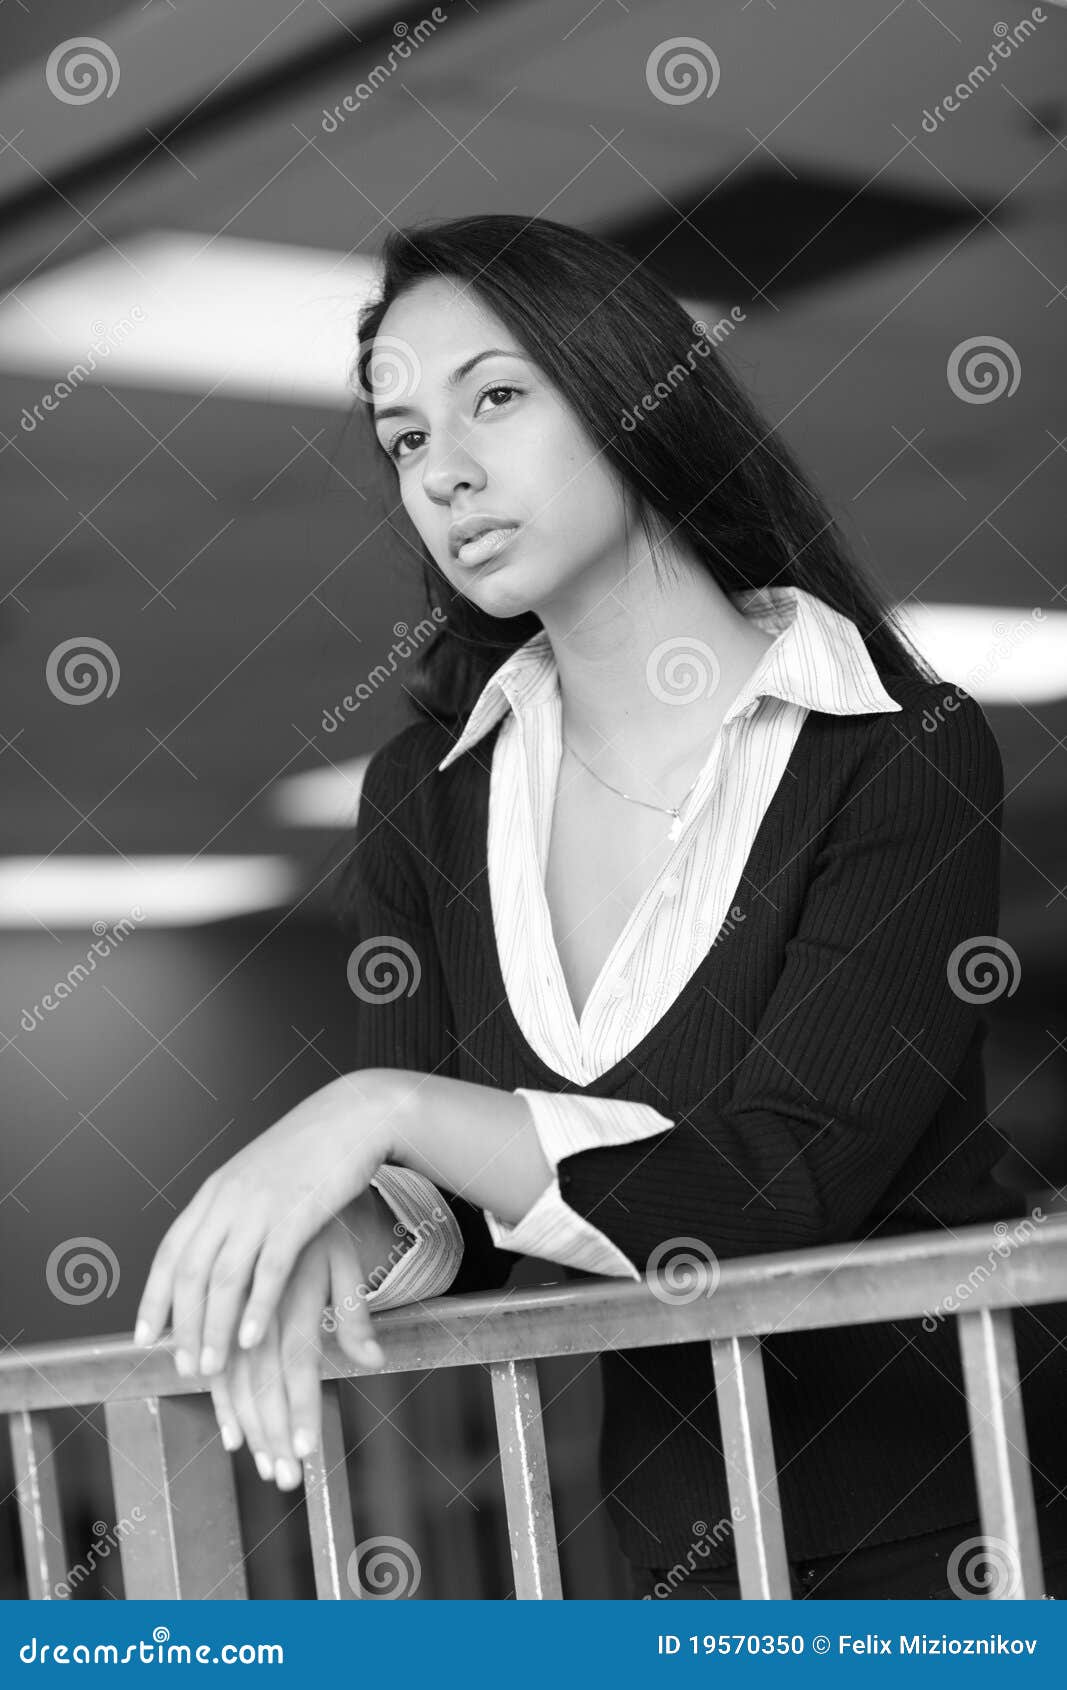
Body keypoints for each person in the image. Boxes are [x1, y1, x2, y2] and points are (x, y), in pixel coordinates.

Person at [133, 214, 1067, 1599]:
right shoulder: (429, 793)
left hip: (968, 1511)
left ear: (639, 397)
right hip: (673, 1526)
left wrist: (373, 1109)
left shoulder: (898, 749)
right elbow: (488, 1210)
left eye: (495, 398)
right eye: (402, 439)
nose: (444, 474)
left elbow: (784, 1184)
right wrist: (369, 1222)